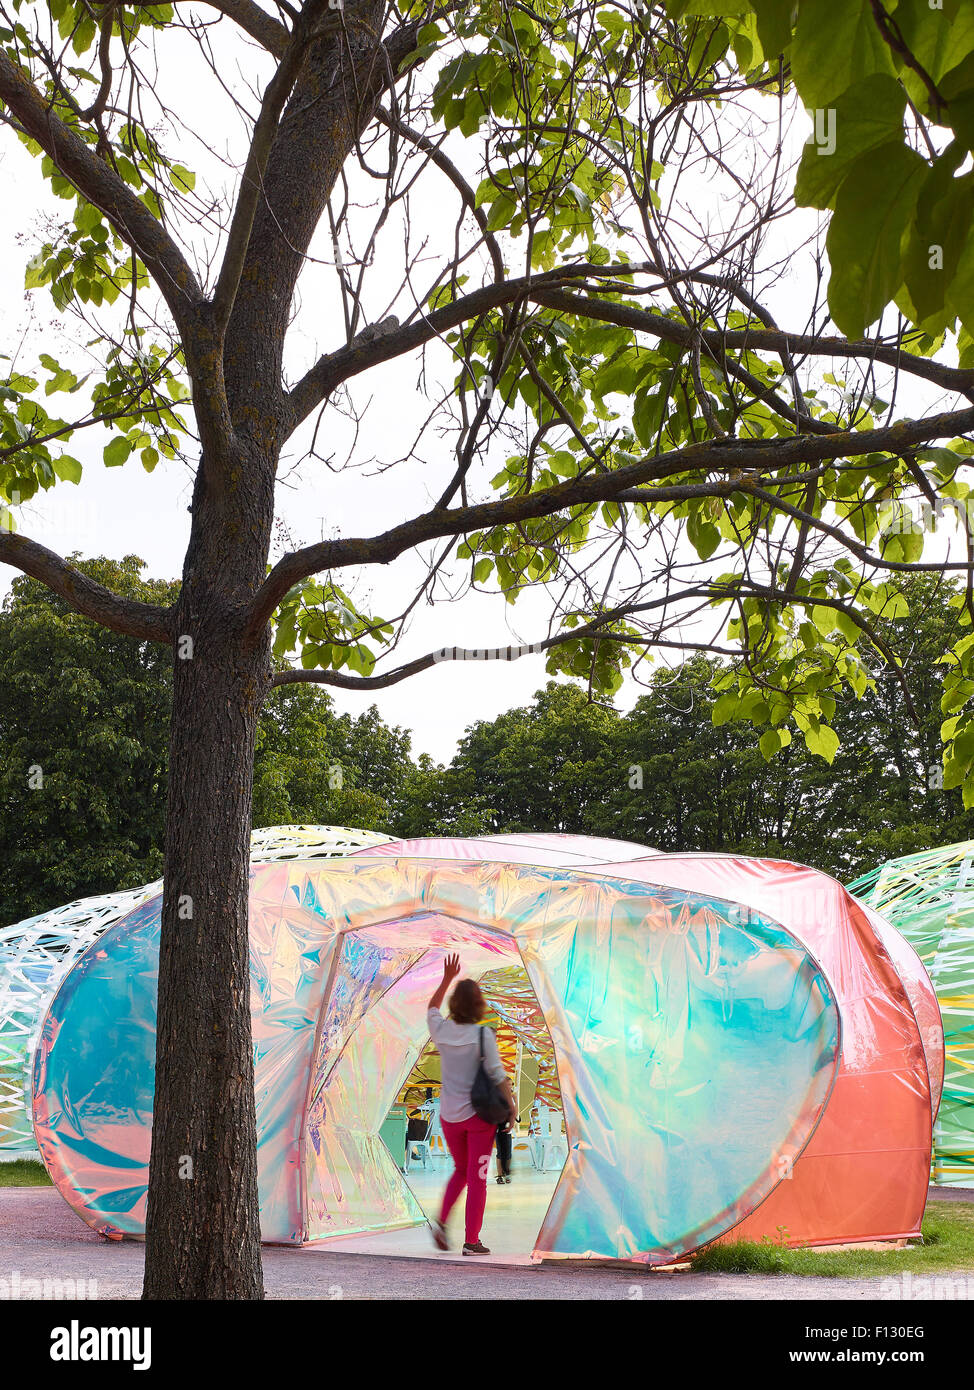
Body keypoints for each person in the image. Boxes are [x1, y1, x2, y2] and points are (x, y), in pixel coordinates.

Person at [425, 952, 515, 1255]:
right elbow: (497, 1075)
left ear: (454, 1005)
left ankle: (441, 1220)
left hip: (449, 1117)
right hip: (478, 1120)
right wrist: (512, 1106)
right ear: (479, 1005)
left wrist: (446, 978)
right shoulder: (482, 1035)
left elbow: (431, 1008)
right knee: (478, 1179)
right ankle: (471, 1240)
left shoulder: (441, 1031)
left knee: (460, 1170)